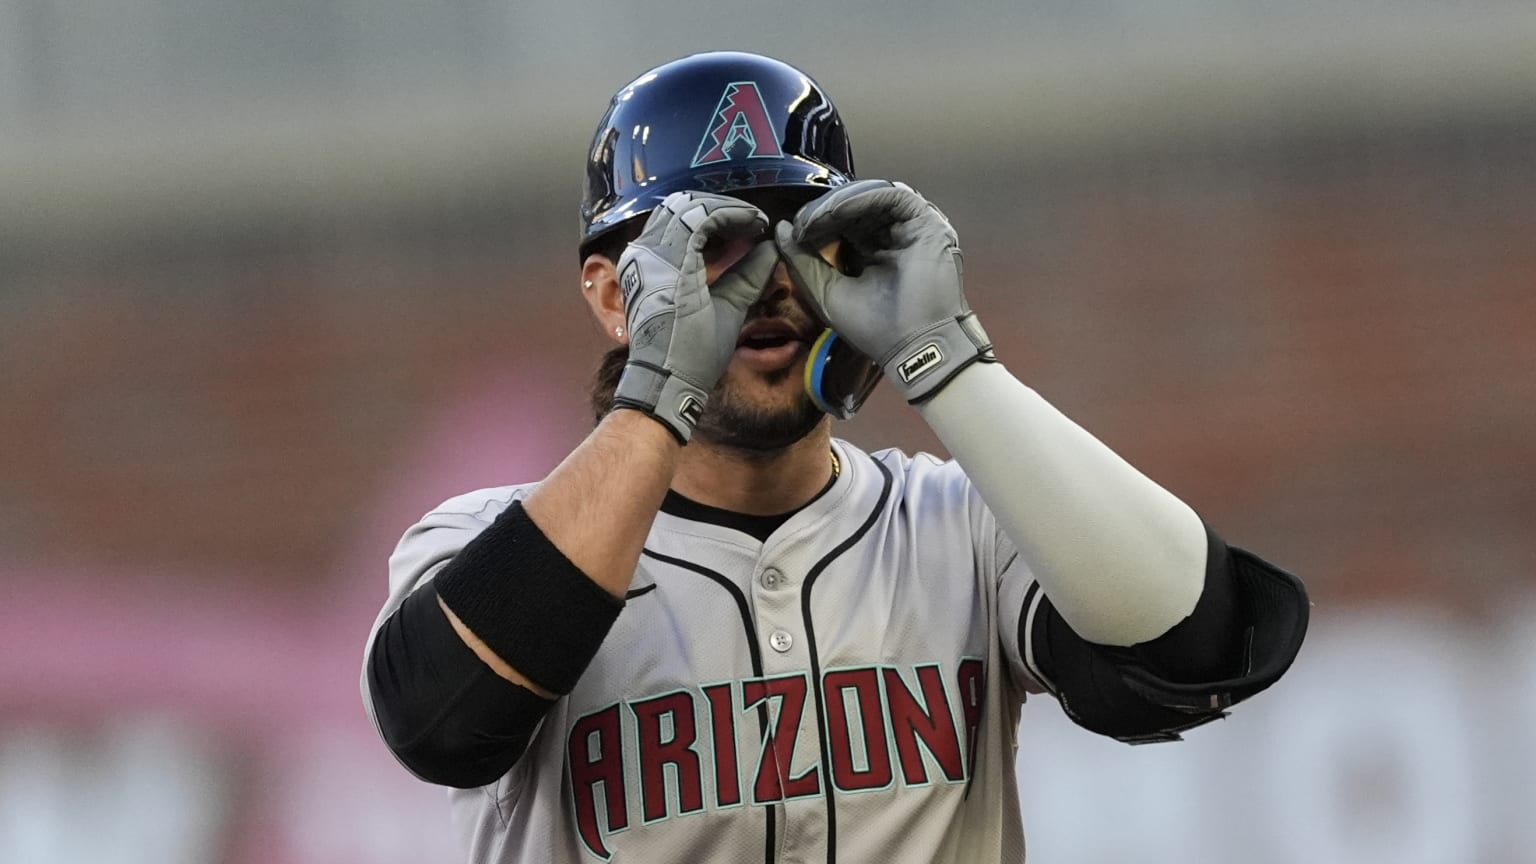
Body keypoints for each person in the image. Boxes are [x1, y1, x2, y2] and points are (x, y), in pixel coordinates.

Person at [361, 51, 1308, 863]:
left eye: (799, 236)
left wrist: (950, 359)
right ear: (613, 296)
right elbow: (442, 722)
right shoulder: (485, 537)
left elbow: (1187, 648)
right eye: (709, 243)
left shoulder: (960, 524)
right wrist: (659, 387)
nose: (767, 287)